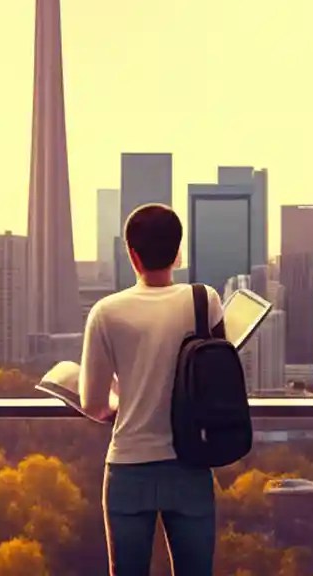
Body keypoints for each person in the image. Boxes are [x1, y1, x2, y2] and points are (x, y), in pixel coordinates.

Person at [79, 203, 225, 576]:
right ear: (178, 252)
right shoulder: (203, 300)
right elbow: (215, 381)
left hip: (129, 466)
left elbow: (94, 405)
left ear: (132, 254)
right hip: (189, 463)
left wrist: (121, 396)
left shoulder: (106, 312)